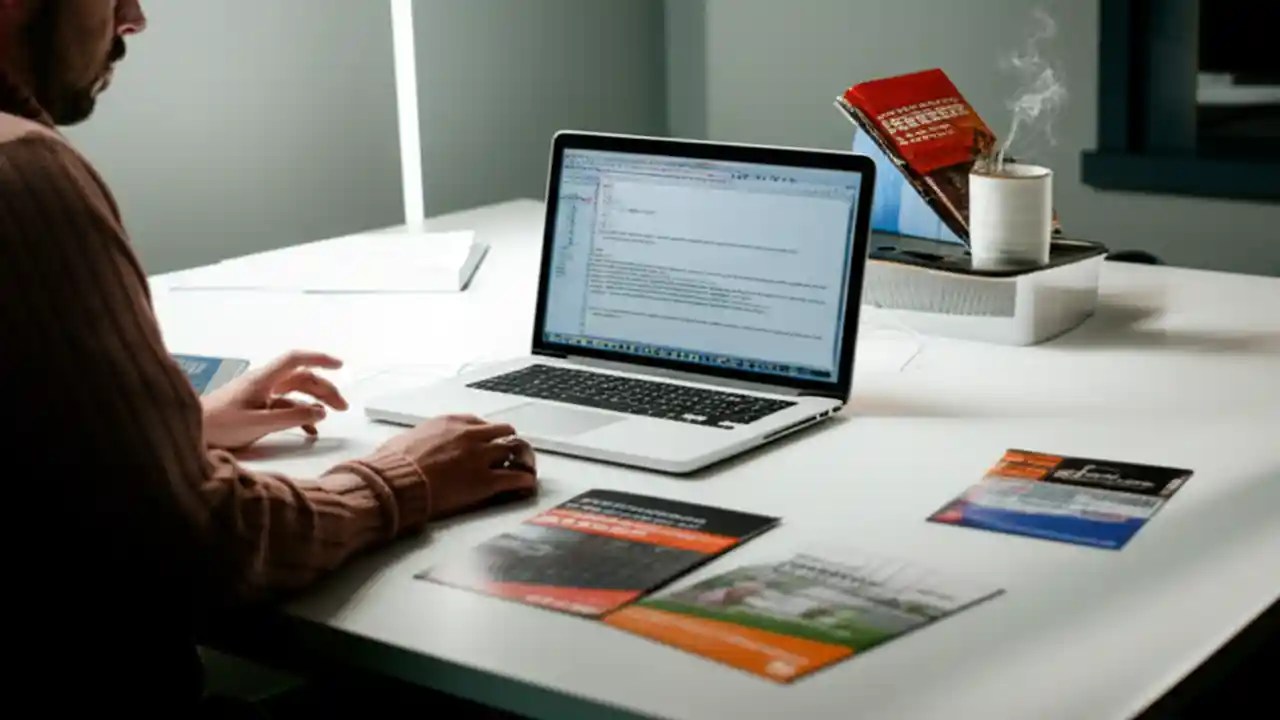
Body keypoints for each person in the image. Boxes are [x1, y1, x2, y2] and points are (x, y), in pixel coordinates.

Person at [0, 1, 537, 715]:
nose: (133, 18)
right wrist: (404, 478)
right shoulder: (25, 174)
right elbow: (199, 547)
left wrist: (171, 430)